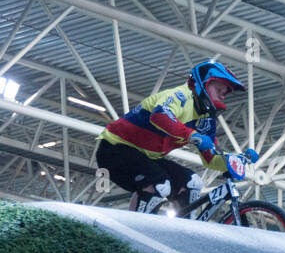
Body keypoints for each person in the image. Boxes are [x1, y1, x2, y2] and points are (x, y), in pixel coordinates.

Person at [95, 61, 258, 213]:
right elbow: (159, 116)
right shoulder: (181, 95)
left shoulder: (206, 119)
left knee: (193, 183)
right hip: (114, 149)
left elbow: (210, 158)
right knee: (160, 184)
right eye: (219, 89)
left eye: (225, 93)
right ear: (204, 84)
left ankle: (185, 231)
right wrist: (192, 135)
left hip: (146, 157)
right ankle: (131, 232)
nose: (223, 96)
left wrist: (233, 161)